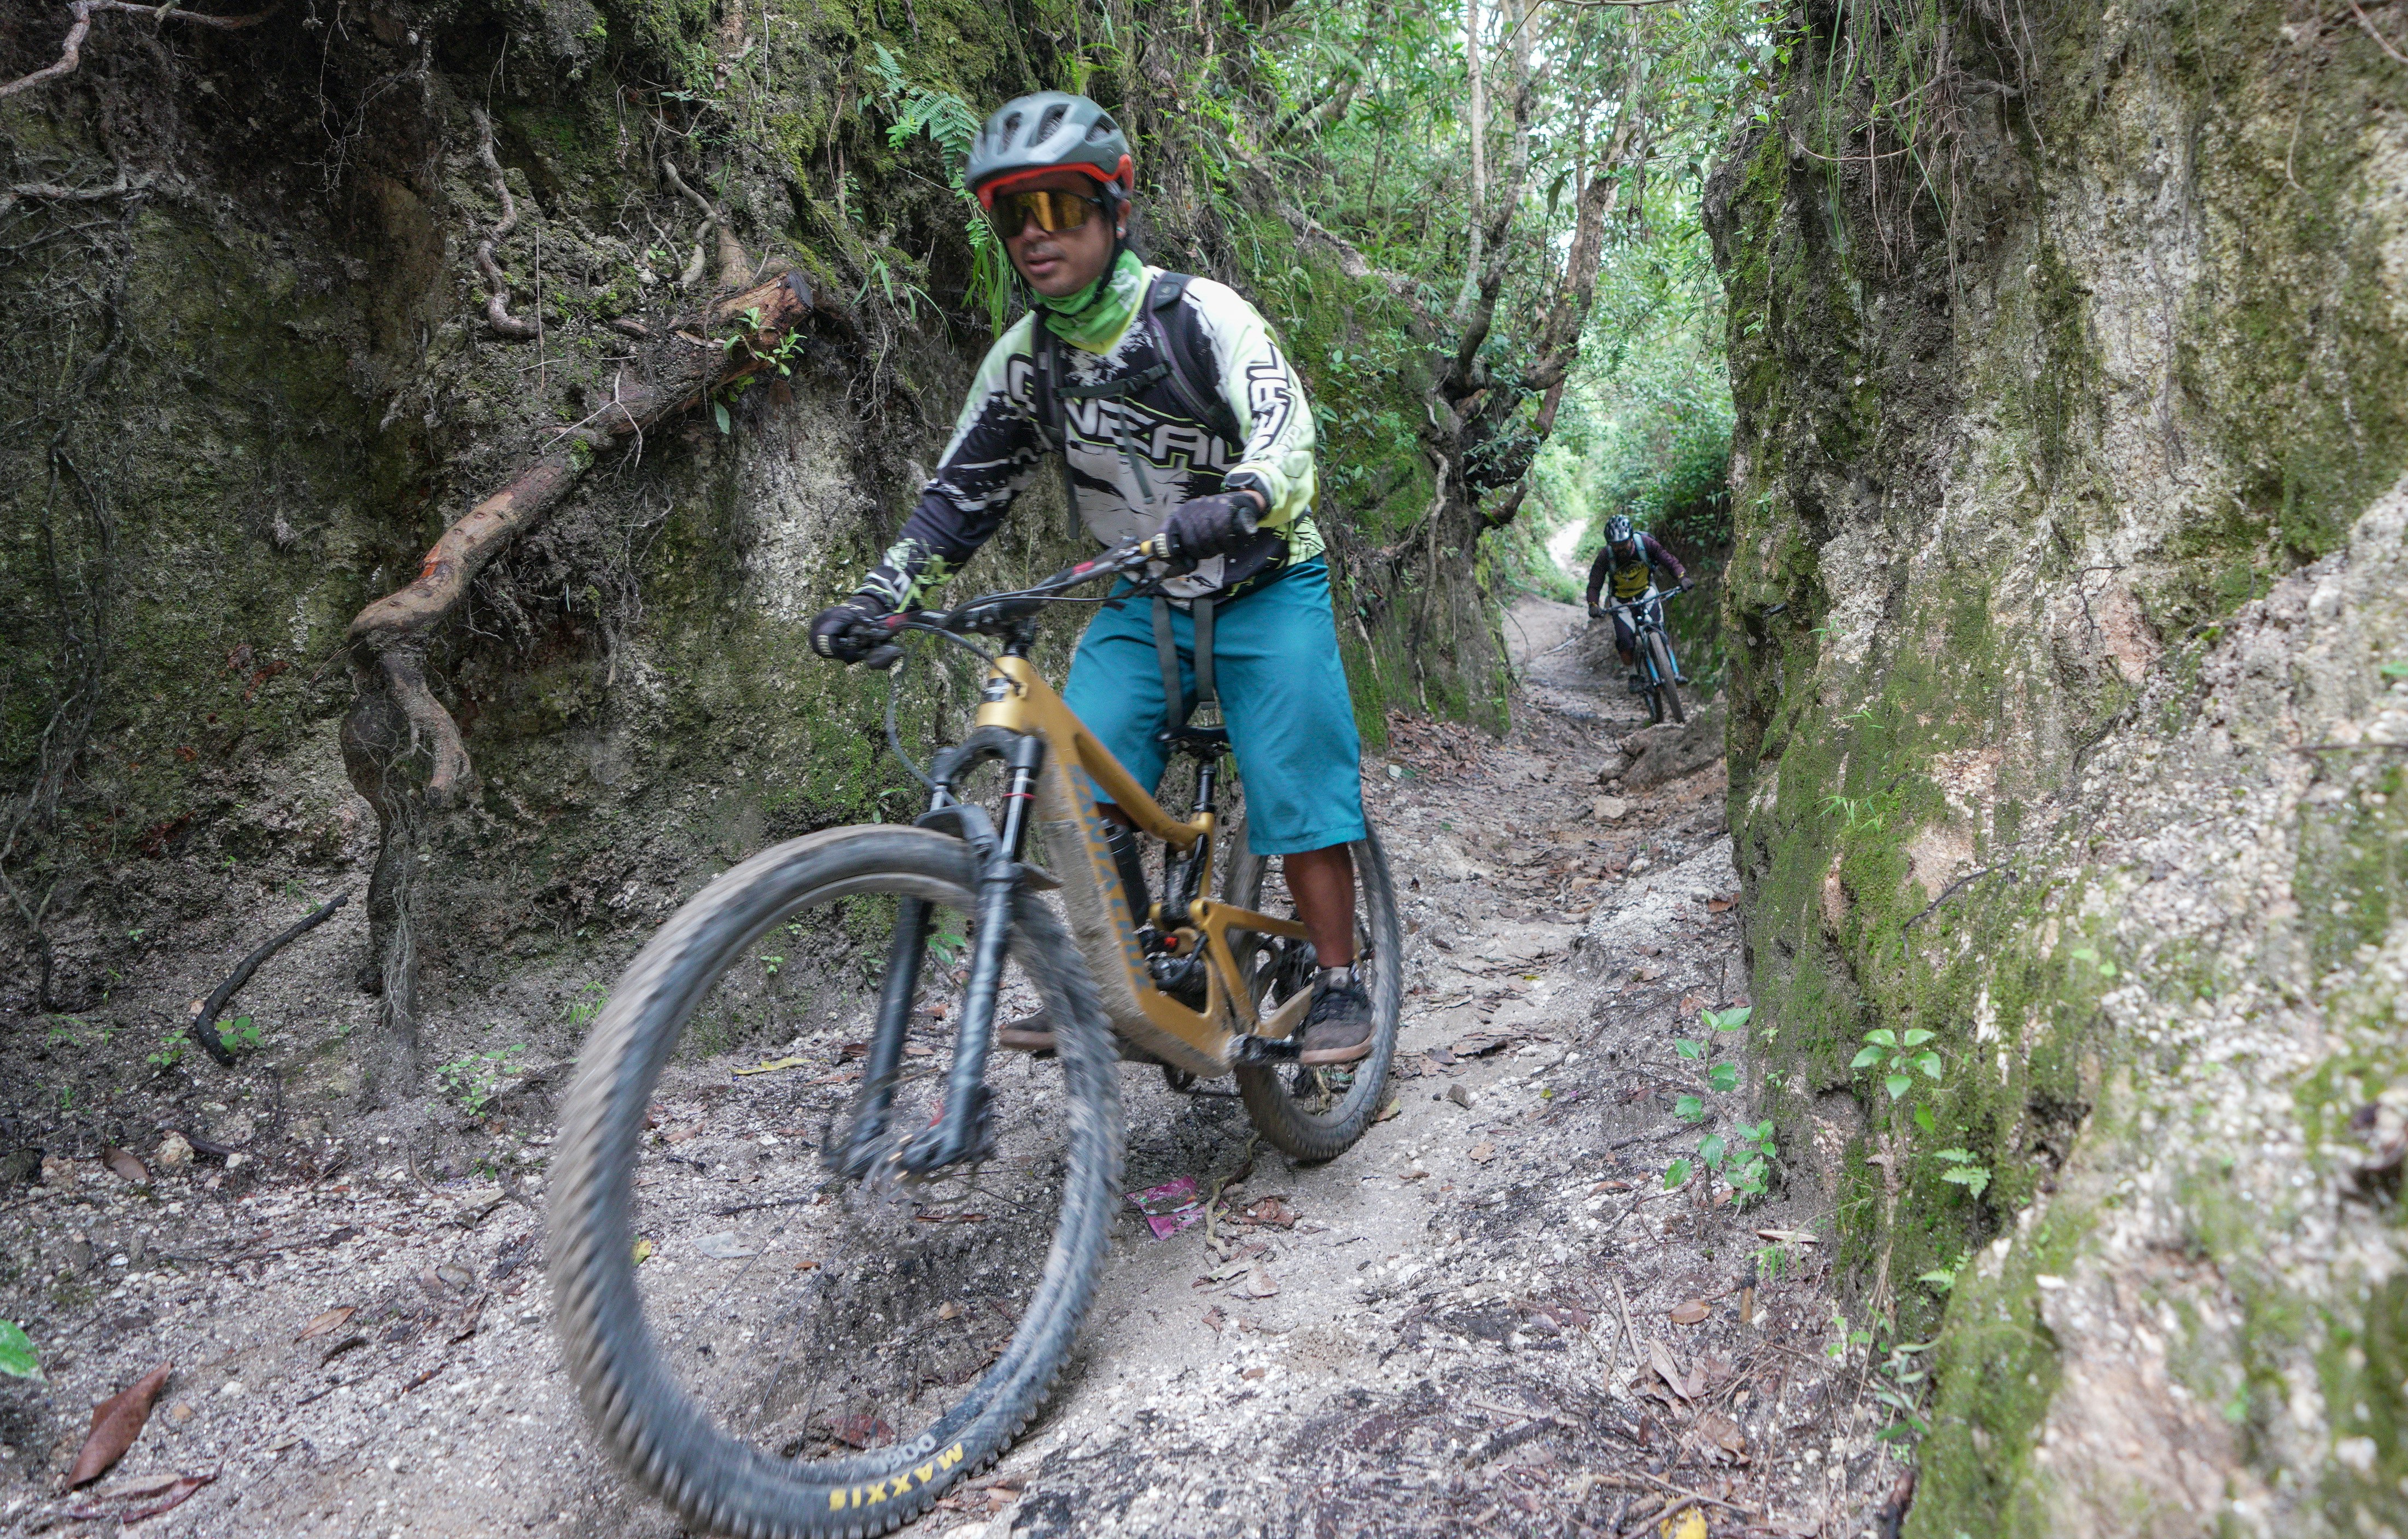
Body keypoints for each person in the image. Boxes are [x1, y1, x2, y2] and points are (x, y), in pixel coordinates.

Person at [806, 92, 1374, 1063]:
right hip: (1141, 599)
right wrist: (881, 593)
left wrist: (1237, 498)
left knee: (1298, 796)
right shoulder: (1028, 363)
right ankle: (1135, 972)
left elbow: (1286, 436)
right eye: (1011, 216)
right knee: (1079, 786)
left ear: (1114, 208)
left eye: (1060, 206)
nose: (1035, 235)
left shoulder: (1201, 317)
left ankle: (1338, 978)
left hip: (1265, 582)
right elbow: (957, 499)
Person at [1584, 514, 1688, 684]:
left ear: (1631, 538)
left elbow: (1668, 560)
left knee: (1659, 631)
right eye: (1615, 545)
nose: (1620, 549)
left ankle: (1673, 672)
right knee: (1625, 641)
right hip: (1620, 600)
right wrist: (1593, 604)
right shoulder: (1606, 556)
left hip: (1646, 592)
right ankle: (1634, 674)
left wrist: (1682, 577)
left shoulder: (1645, 544)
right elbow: (1595, 583)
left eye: (1624, 543)